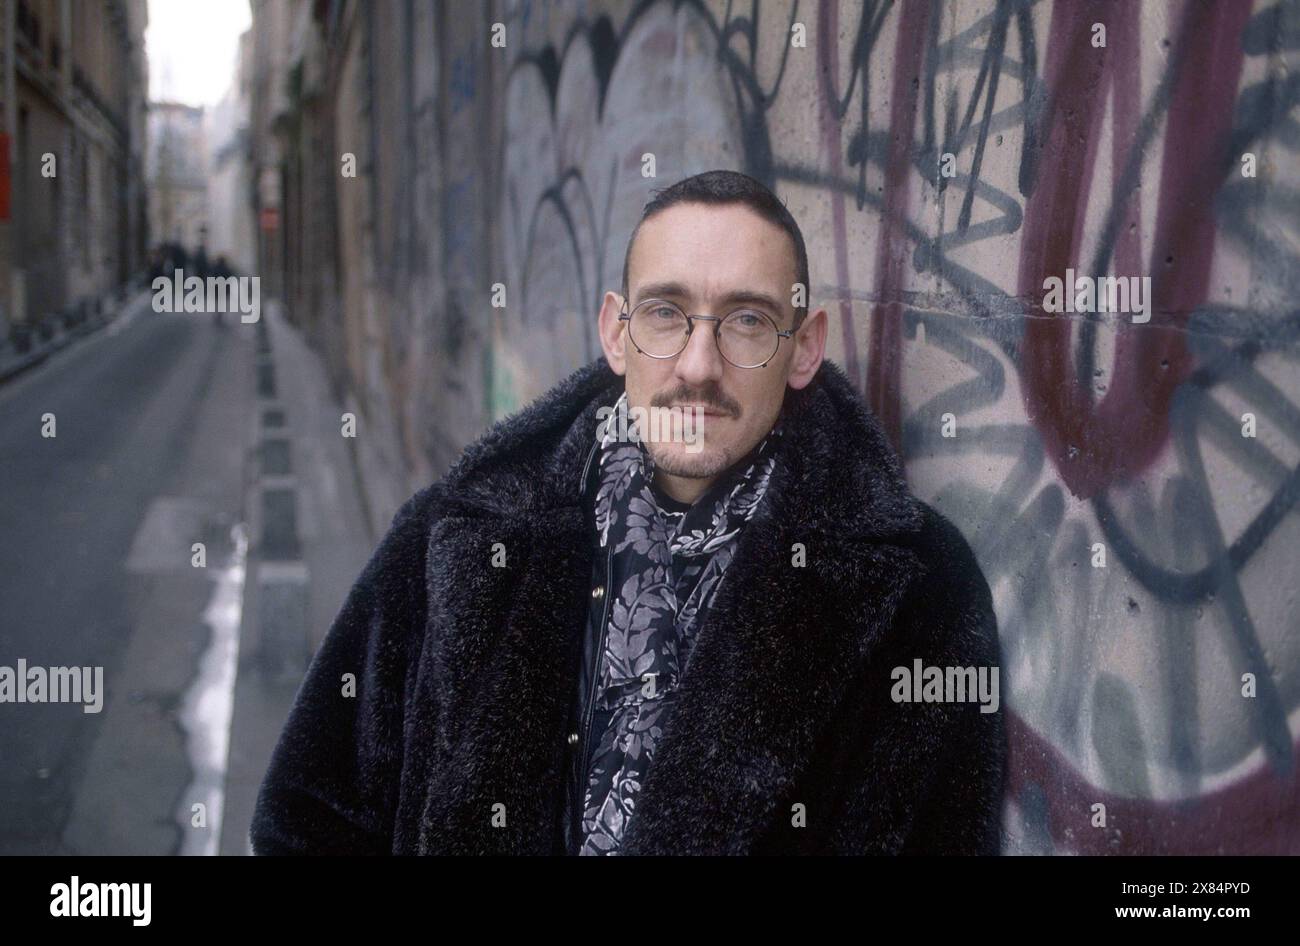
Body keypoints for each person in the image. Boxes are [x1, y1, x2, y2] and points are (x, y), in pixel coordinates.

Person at [250, 169, 1006, 855]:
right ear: (617, 332)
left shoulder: (914, 594)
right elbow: (306, 814)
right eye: (666, 313)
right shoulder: (462, 536)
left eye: (746, 320)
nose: (698, 367)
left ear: (804, 348)